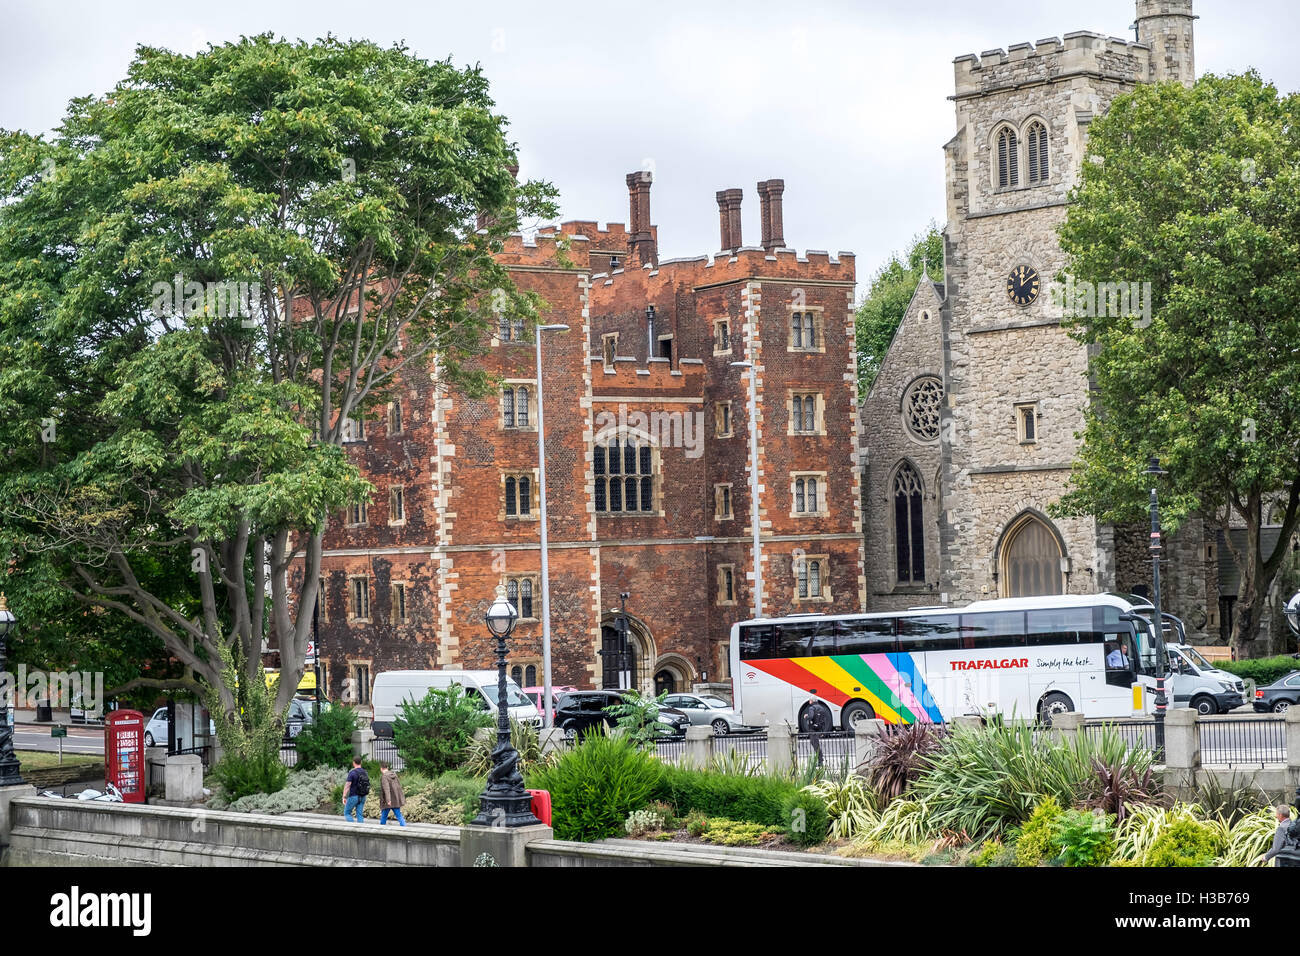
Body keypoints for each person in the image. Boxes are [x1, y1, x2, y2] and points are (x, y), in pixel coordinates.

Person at [379, 760, 407, 827]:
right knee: (399, 815)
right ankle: (404, 828)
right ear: (387, 767)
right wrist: (400, 798)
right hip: (396, 799)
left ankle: (381, 830)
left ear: (381, 768)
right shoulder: (394, 775)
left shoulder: (384, 777)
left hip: (388, 801)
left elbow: (386, 789)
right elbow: (399, 787)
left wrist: (388, 800)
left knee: (384, 816)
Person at [343, 757, 369, 823]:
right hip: (363, 796)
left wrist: (344, 796)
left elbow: (347, 785)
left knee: (347, 813)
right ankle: (361, 831)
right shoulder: (365, 772)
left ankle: (352, 829)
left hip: (353, 796)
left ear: (353, 763)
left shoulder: (352, 773)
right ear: (361, 762)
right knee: (359, 815)